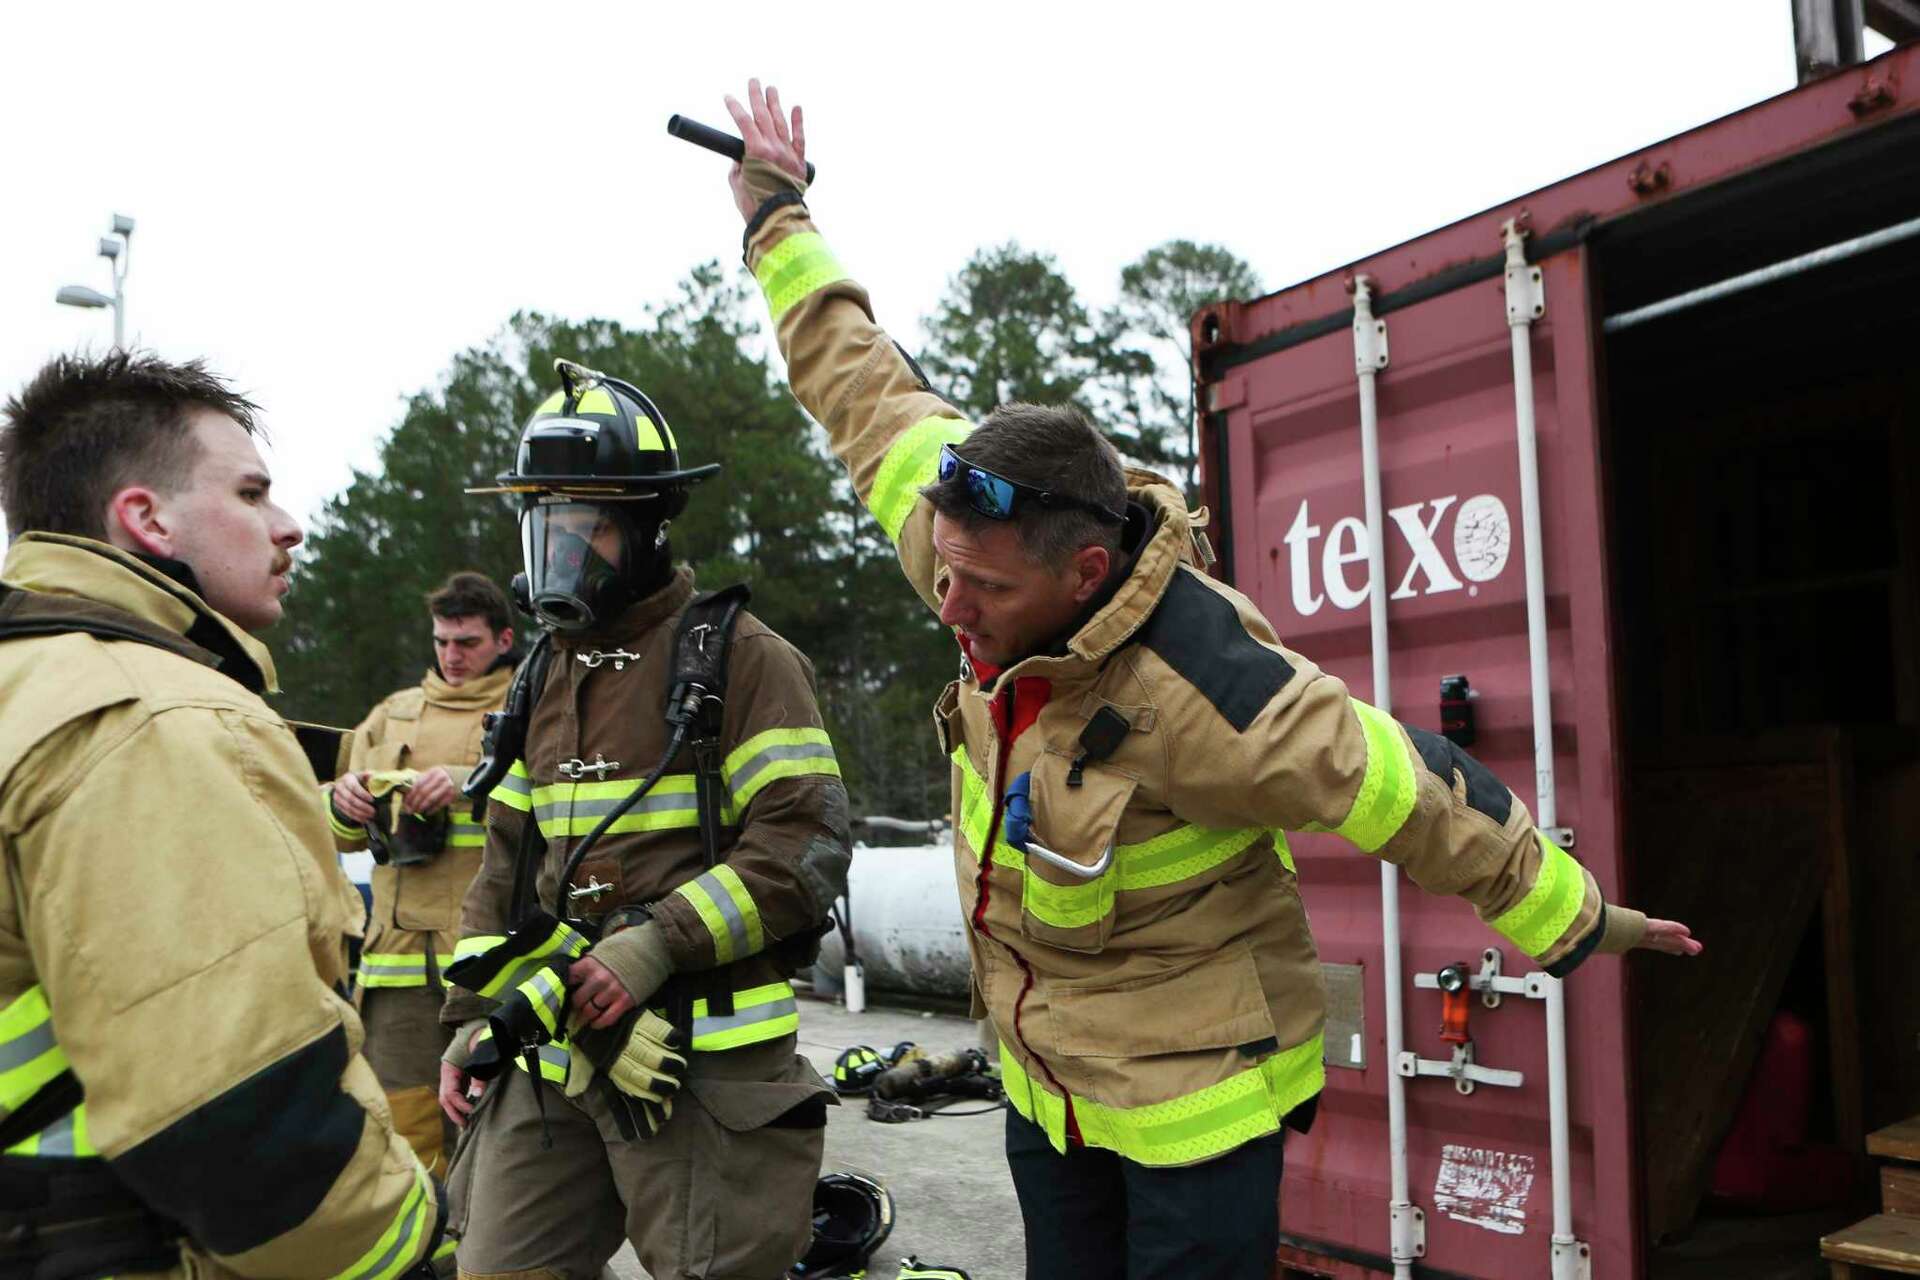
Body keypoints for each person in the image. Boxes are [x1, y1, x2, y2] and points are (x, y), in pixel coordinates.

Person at [717, 80, 1704, 1279]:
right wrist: (776, 211)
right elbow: (855, 378)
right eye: (945, 573)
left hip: (1198, 1109)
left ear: (1087, 570)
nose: (949, 606)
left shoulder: (1212, 688)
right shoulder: (963, 533)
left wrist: (1576, 915)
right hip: (1049, 1082)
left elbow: (1413, 786)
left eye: (983, 589)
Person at [0, 351, 444, 1277]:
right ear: (146, 518)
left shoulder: (31, 683)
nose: (289, 527)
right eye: (251, 493)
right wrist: (405, 1242)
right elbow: (243, 1120)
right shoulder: (156, 718)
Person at [437, 359, 852, 1279]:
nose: (561, 560)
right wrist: (470, 1022)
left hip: (702, 1070)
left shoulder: (741, 660)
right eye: (546, 529)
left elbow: (807, 843)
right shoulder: (540, 676)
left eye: (586, 532)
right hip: (550, 1065)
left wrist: (659, 941)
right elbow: (501, 874)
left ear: (650, 528)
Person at [326, 571, 516, 1179]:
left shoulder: (530, 710)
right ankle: (424, 1265)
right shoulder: (390, 717)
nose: (451, 656)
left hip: (494, 965)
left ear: (504, 640)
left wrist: (472, 785)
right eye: (442, 642)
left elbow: (565, 809)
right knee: (402, 1132)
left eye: (467, 643)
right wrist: (342, 805)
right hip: (397, 966)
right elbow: (342, 835)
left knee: (499, 1134)